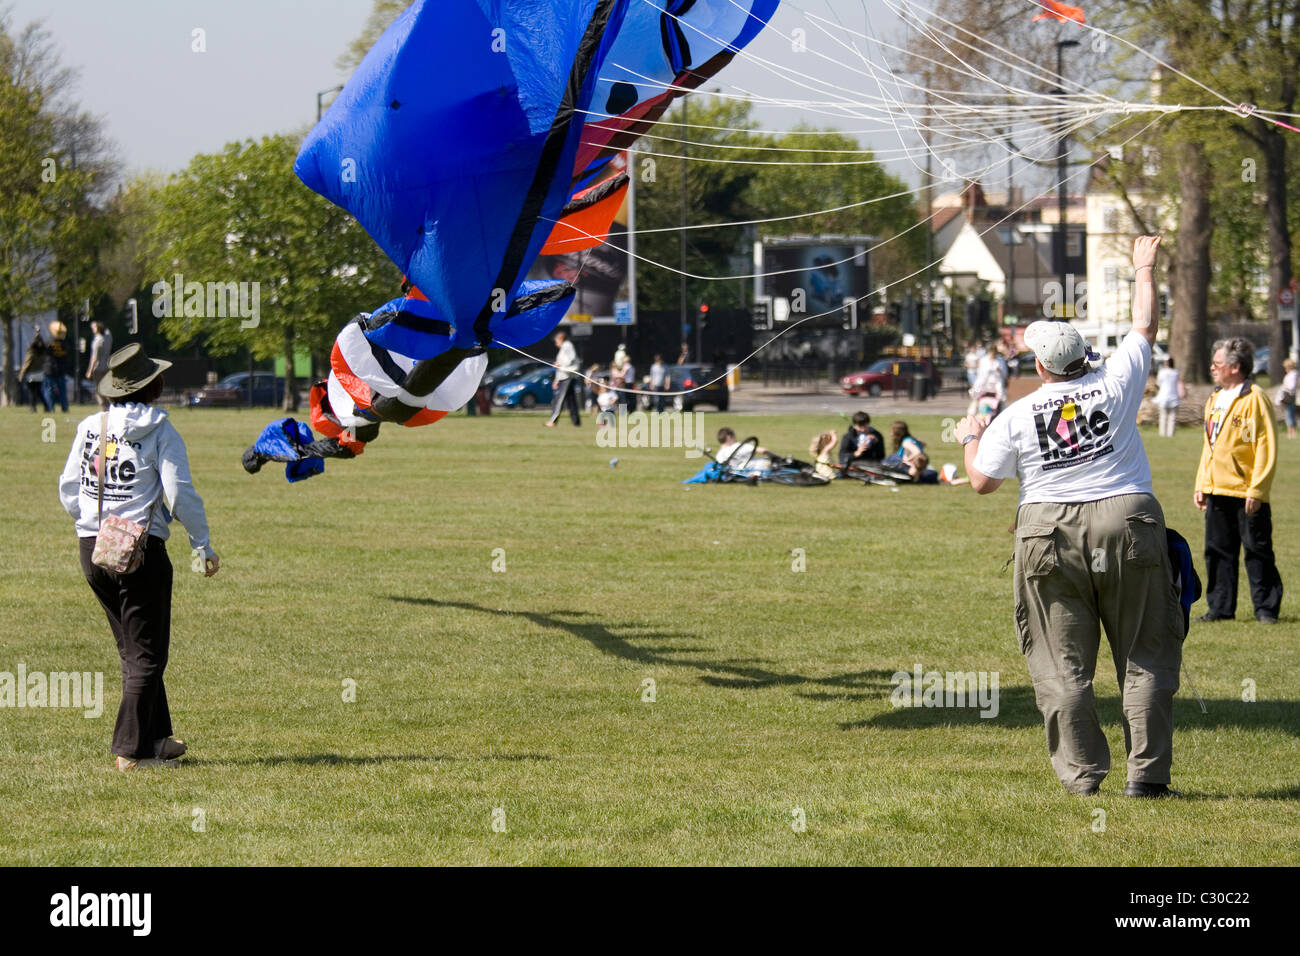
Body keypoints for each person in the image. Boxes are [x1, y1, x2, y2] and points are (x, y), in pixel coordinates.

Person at [955, 235, 1184, 798]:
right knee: (1145, 651)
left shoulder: (1015, 414)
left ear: (1039, 365)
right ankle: (1148, 779)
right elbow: (1145, 328)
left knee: (1062, 664)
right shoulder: (1117, 381)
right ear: (1082, 357)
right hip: (1128, 516)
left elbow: (982, 483)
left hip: (1047, 528)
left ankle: (1083, 778)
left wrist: (968, 437)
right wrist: (1144, 267)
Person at [58, 345, 220, 772]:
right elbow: (179, 493)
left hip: (92, 549)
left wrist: (95, 526)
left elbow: (69, 486)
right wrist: (202, 544)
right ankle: (130, 751)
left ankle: (158, 738)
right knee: (148, 656)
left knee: (134, 650)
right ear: (153, 385)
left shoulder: (91, 425)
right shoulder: (162, 430)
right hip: (142, 552)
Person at [1194, 337, 1281, 624]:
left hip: (1246, 491)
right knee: (1217, 552)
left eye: (1217, 363)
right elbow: (1209, 446)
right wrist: (1201, 484)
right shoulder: (1215, 398)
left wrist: (1257, 489)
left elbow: (1266, 445)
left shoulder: (1256, 398)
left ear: (1234, 366)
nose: (1212, 368)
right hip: (1217, 488)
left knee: (1257, 550)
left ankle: (1266, 608)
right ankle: (1220, 608)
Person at [545, 329, 581, 427]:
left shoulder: (567, 345)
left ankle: (553, 421)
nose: (556, 343)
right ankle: (576, 422)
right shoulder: (563, 348)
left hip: (567, 377)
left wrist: (560, 364)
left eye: (557, 340)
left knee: (558, 399)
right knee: (571, 401)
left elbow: (571, 359)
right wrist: (556, 380)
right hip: (564, 377)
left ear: (561, 339)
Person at [42, 320, 72, 413]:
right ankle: (65, 408)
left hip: (49, 369)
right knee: (62, 390)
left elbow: (43, 351)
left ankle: (50, 408)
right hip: (61, 369)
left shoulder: (49, 342)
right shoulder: (64, 343)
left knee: (48, 390)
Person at [1153, 355, 1186, 437]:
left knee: (1163, 417)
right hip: (1173, 396)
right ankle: (1170, 434)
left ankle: (1162, 433)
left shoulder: (1162, 372)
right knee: (1172, 418)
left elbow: (1158, 383)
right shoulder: (1175, 373)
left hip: (1163, 397)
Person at [86, 320, 113, 411]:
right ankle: (112, 406)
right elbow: (108, 331)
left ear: (98, 329)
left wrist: (90, 370)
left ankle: (104, 408)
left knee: (99, 390)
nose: (92, 329)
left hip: (98, 368)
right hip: (107, 366)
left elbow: (94, 357)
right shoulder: (108, 337)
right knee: (107, 387)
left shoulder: (97, 341)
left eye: (94, 327)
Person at [1278, 357, 1297, 440]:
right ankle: (1290, 432)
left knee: (1289, 414)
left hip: (1289, 395)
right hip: (1288, 394)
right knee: (1289, 413)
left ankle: (1292, 433)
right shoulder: (1290, 375)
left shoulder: (1293, 374)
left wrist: (1285, 388)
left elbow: (1291, 386)